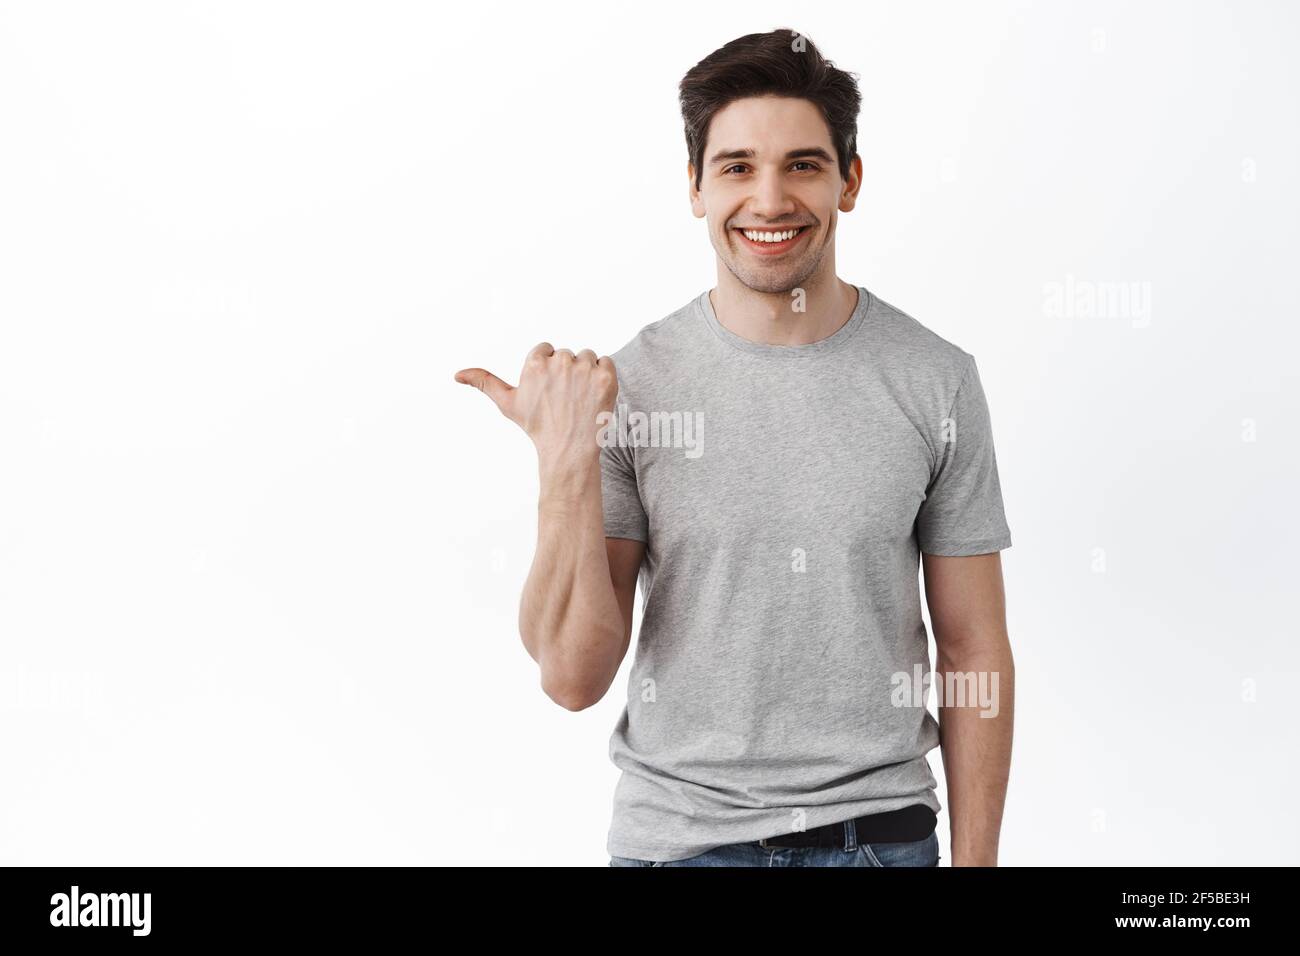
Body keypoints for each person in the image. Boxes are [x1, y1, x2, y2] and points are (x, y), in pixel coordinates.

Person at [455, 28, 1014, 868]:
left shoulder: (936, 382)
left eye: (802, 164)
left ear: (849, 181)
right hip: (680, 844)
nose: (770, 200)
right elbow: (572, 678)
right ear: (695, 187)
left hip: (879, 839)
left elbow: (973, 649)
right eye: (737, 167)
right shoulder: (630, 388)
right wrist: (563, 460)